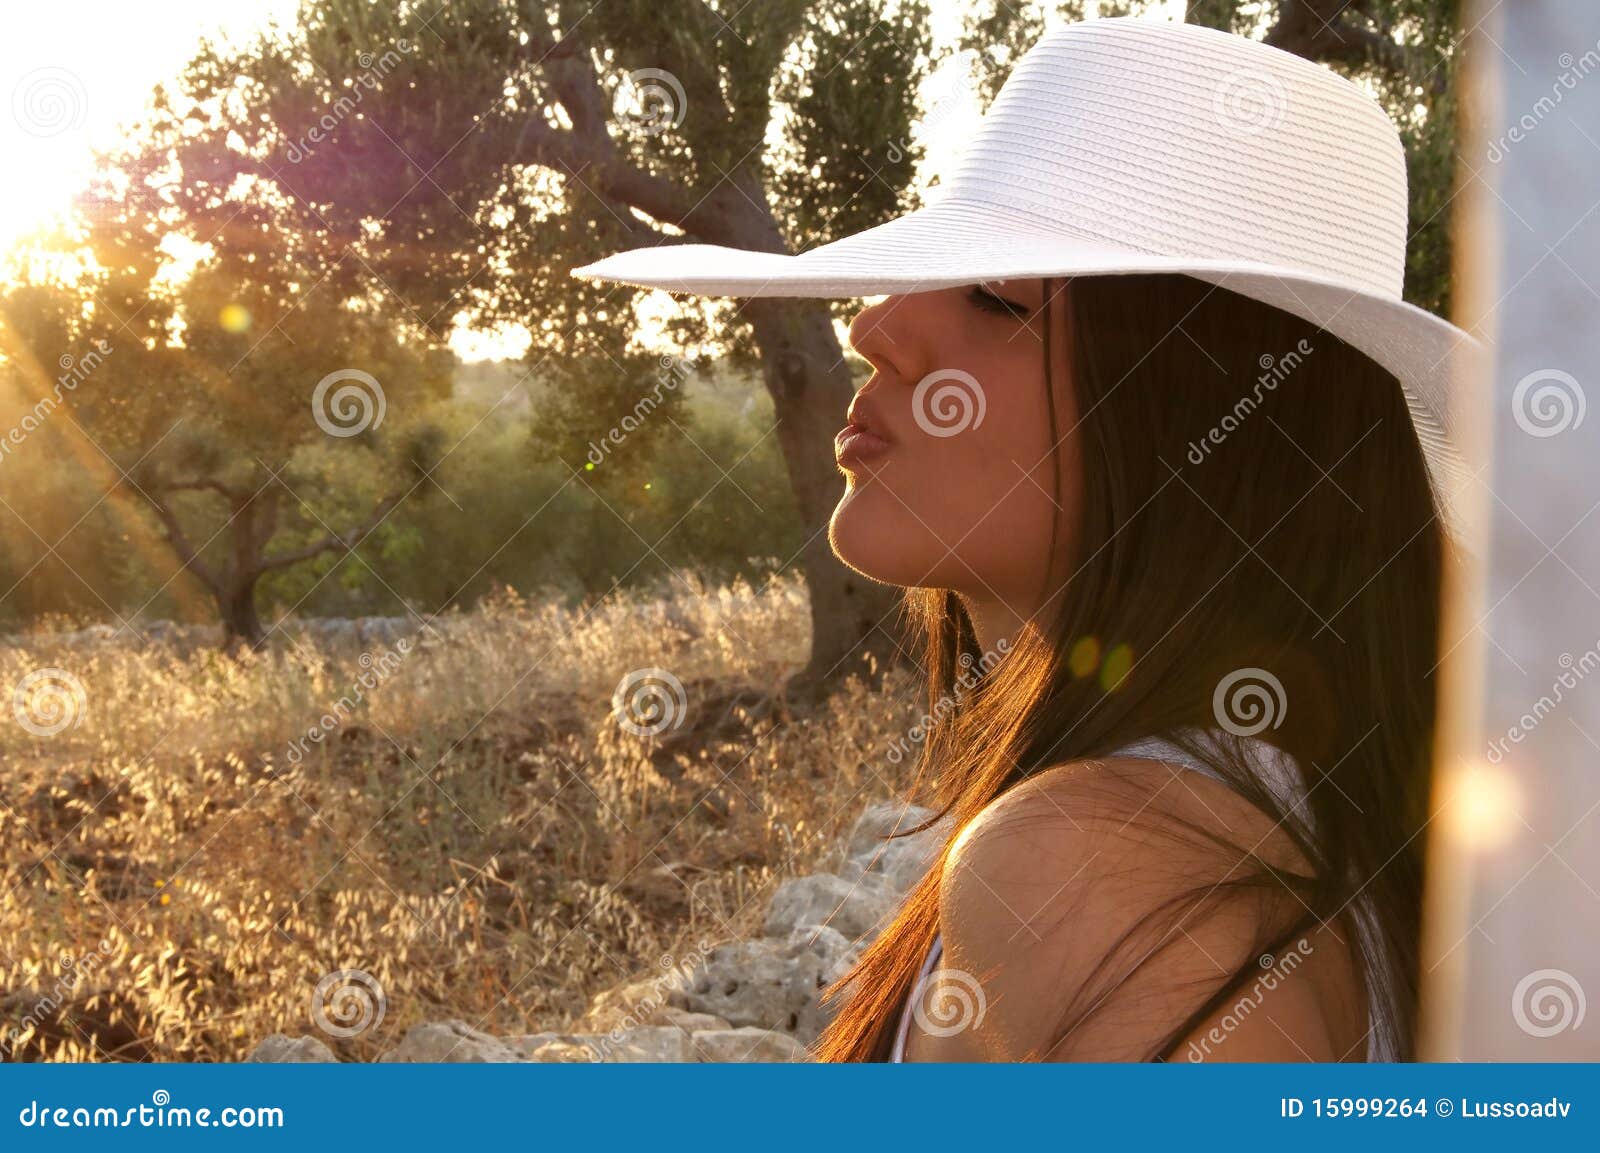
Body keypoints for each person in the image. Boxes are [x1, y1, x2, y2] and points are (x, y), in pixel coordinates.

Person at [571, 16, 1483, 1062]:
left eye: (999, 299)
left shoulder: (1105, 868)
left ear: (1205, 416)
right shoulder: (1253, 814)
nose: (875, 327)